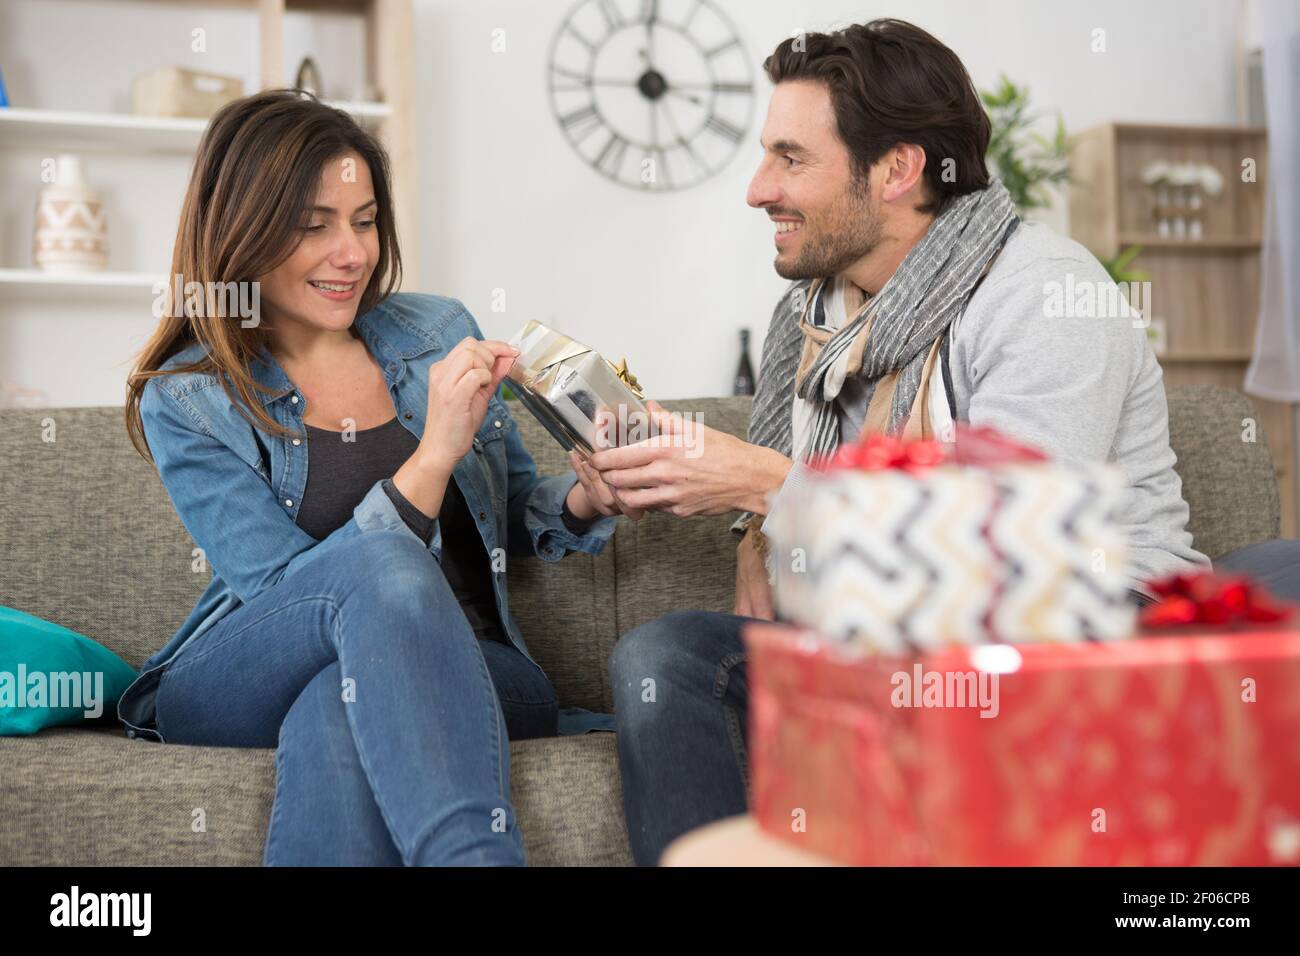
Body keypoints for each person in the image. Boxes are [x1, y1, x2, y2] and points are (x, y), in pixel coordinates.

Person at [589, 18, 1265, 866]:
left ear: (900, 171)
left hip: (1078, 623)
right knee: (667, 656)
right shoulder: (807, 316)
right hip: (872, 627)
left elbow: (1013, 555)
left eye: (791, 158)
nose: (758, 189)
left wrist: (769, 487)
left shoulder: (1043, 296)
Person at [116, 90, 623, 866]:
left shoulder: (436, 330)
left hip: (469, 662)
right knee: (380, 566)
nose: (351, 253)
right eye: (312, 225)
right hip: (242, 674)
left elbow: (513, 515)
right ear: (240, 232)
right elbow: (290, 589)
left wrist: (587, 498)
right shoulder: (187, 397)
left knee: (339, 699)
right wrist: (431, 457)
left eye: (364, 220)